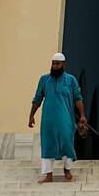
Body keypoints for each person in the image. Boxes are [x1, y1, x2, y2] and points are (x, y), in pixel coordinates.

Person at [28, 52, 85, 183]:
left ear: (63, 65)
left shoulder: (71, 80)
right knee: (48, 144)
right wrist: (31, 116)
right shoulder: (44, 79)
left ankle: (67, 170)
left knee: (67, 142)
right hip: (48, 119)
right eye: (53, 63)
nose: (54, 66)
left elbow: (78, 98)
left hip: (66, 118)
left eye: (57, 64)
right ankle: (48, 175)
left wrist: (82, 115)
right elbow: (37, 99)